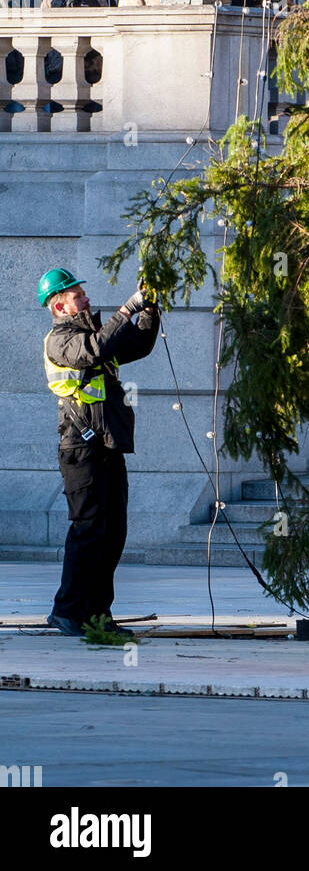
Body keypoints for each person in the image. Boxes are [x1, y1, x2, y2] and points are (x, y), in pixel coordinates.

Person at [39, 267, 160, 638]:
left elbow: (136, 344)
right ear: (60, 305)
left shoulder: (92, 334)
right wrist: (127, 308)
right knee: (88, 530)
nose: (86, 298)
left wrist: (150, 311)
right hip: (79, 449)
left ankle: (98, 614)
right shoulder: (60, 339)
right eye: (77, 295)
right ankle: (66, 611)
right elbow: (95, 350)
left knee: (112, 533)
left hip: (106, 446)